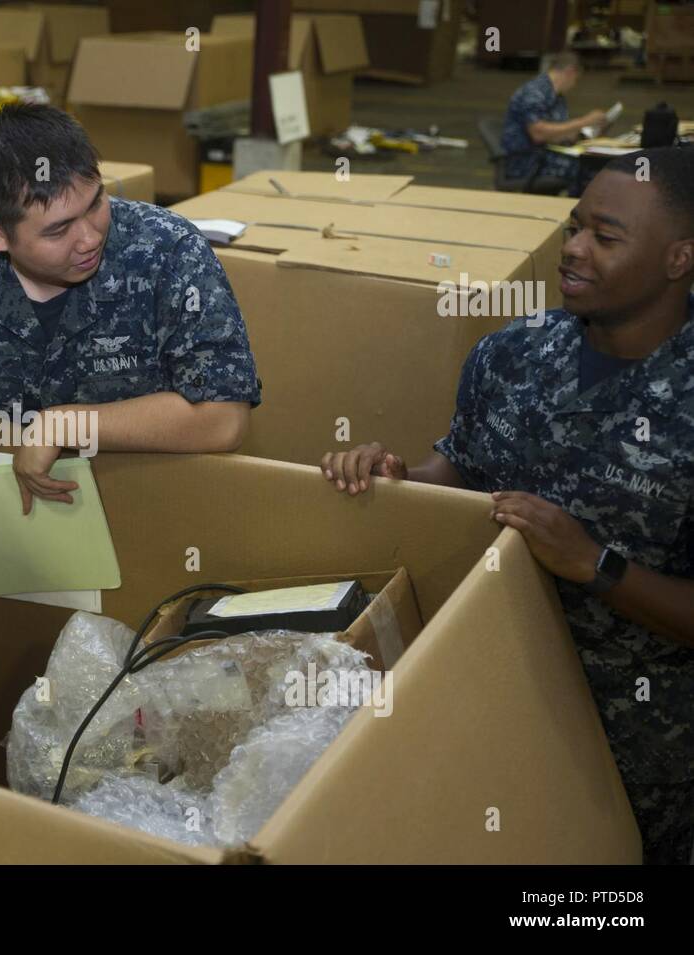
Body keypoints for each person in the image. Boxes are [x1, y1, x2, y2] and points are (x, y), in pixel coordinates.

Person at [321, 147, 694, 864]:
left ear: (680, 259)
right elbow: (459, 471)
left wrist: (596, 564)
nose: (573, 249)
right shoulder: (513, 353)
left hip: (643, 758)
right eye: (575, 225)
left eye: (605, 237)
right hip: (490, 696)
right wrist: (396, 475)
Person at [0, 104, 260, 513]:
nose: (89, 238)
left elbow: (224, 417)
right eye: (58, 230)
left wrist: (62, 424)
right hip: (6, 521)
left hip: (151, 507)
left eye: (95, 204)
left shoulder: (169, 253)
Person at [501, 50, 608, 193]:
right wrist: (584, 121)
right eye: (576, 79)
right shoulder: (535, 92)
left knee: (594, 162)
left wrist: (586, 133)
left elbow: (559, 131)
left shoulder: (557, 97)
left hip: (547, 154)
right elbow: (538, 133)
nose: (574, 85)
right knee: (585, 168)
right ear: (570, 72)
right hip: (527, 160)